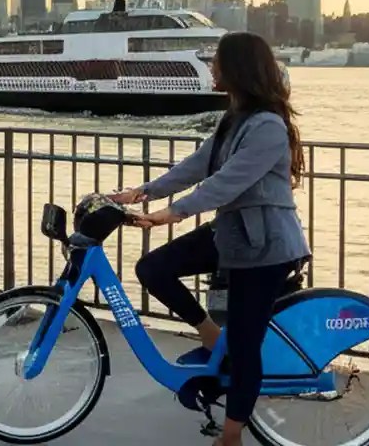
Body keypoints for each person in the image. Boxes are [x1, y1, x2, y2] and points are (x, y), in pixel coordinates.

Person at [111, 31, 310, 446]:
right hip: (233, 234)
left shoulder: (268, 127)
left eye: (216, 62)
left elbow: (227, 183)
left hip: (266, 247)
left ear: (236, 68)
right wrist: (142, 192)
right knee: (153, 268)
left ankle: (232, 434)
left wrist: (173, 213)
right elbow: (197, 165)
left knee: (245, 343)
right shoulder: (232, 119)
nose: (210, 68)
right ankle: (208, 333)